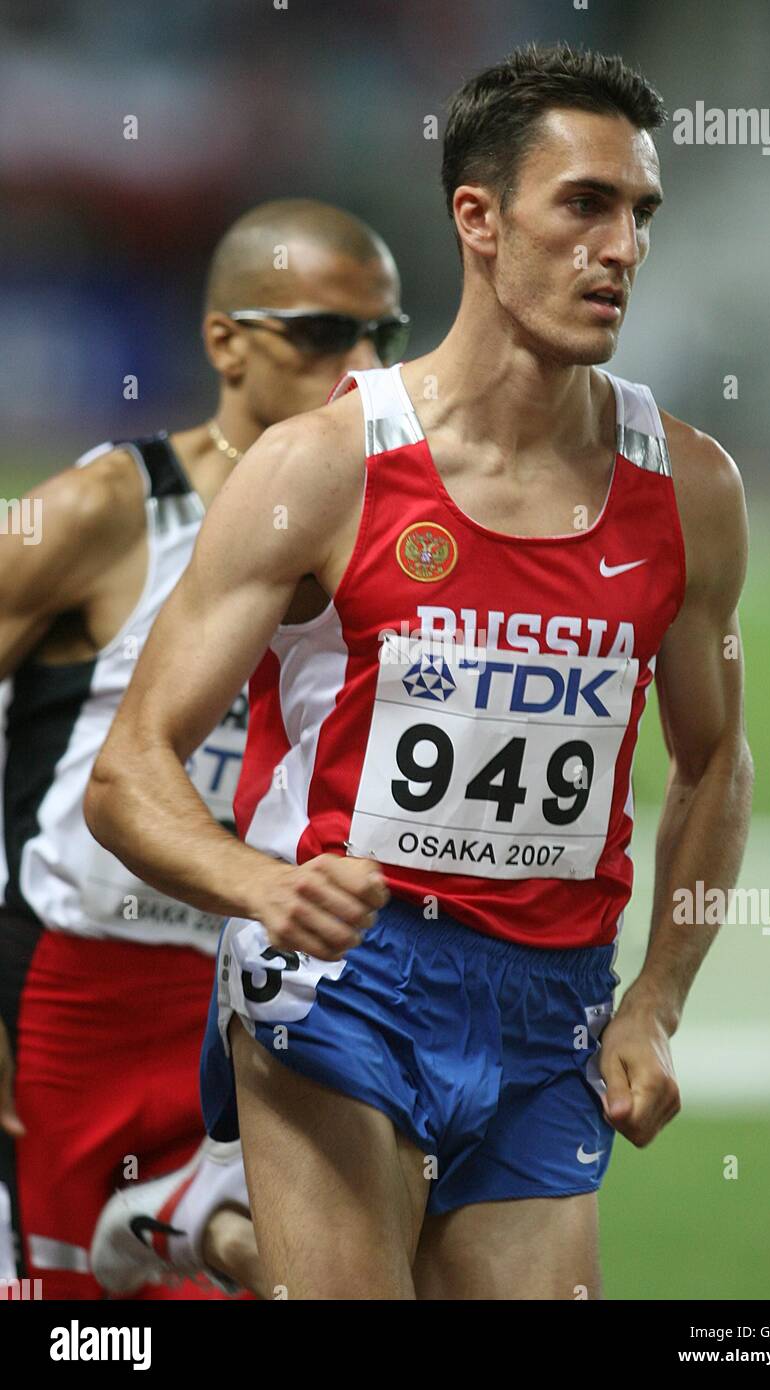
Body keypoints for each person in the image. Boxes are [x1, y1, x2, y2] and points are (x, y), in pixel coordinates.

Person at [86, 44, 754, 1301]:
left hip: (550, 1002)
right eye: (585, 205)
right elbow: (128, 769)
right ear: (478, 218)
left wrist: (656, 1000)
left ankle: (209, 1231)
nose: (622, 248)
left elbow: (715, 756)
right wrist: (259, 887)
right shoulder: (321, 468)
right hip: (346, 983)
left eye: (640, 214)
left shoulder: (692, 491)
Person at [0, 197, 407, 1299]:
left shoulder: (385, 524)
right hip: (74, 984)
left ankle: (191, 1222)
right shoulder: (106, 510)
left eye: (385, 336)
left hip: (256, 991)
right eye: (323, 334)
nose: (362, 365)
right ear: (225, 339)